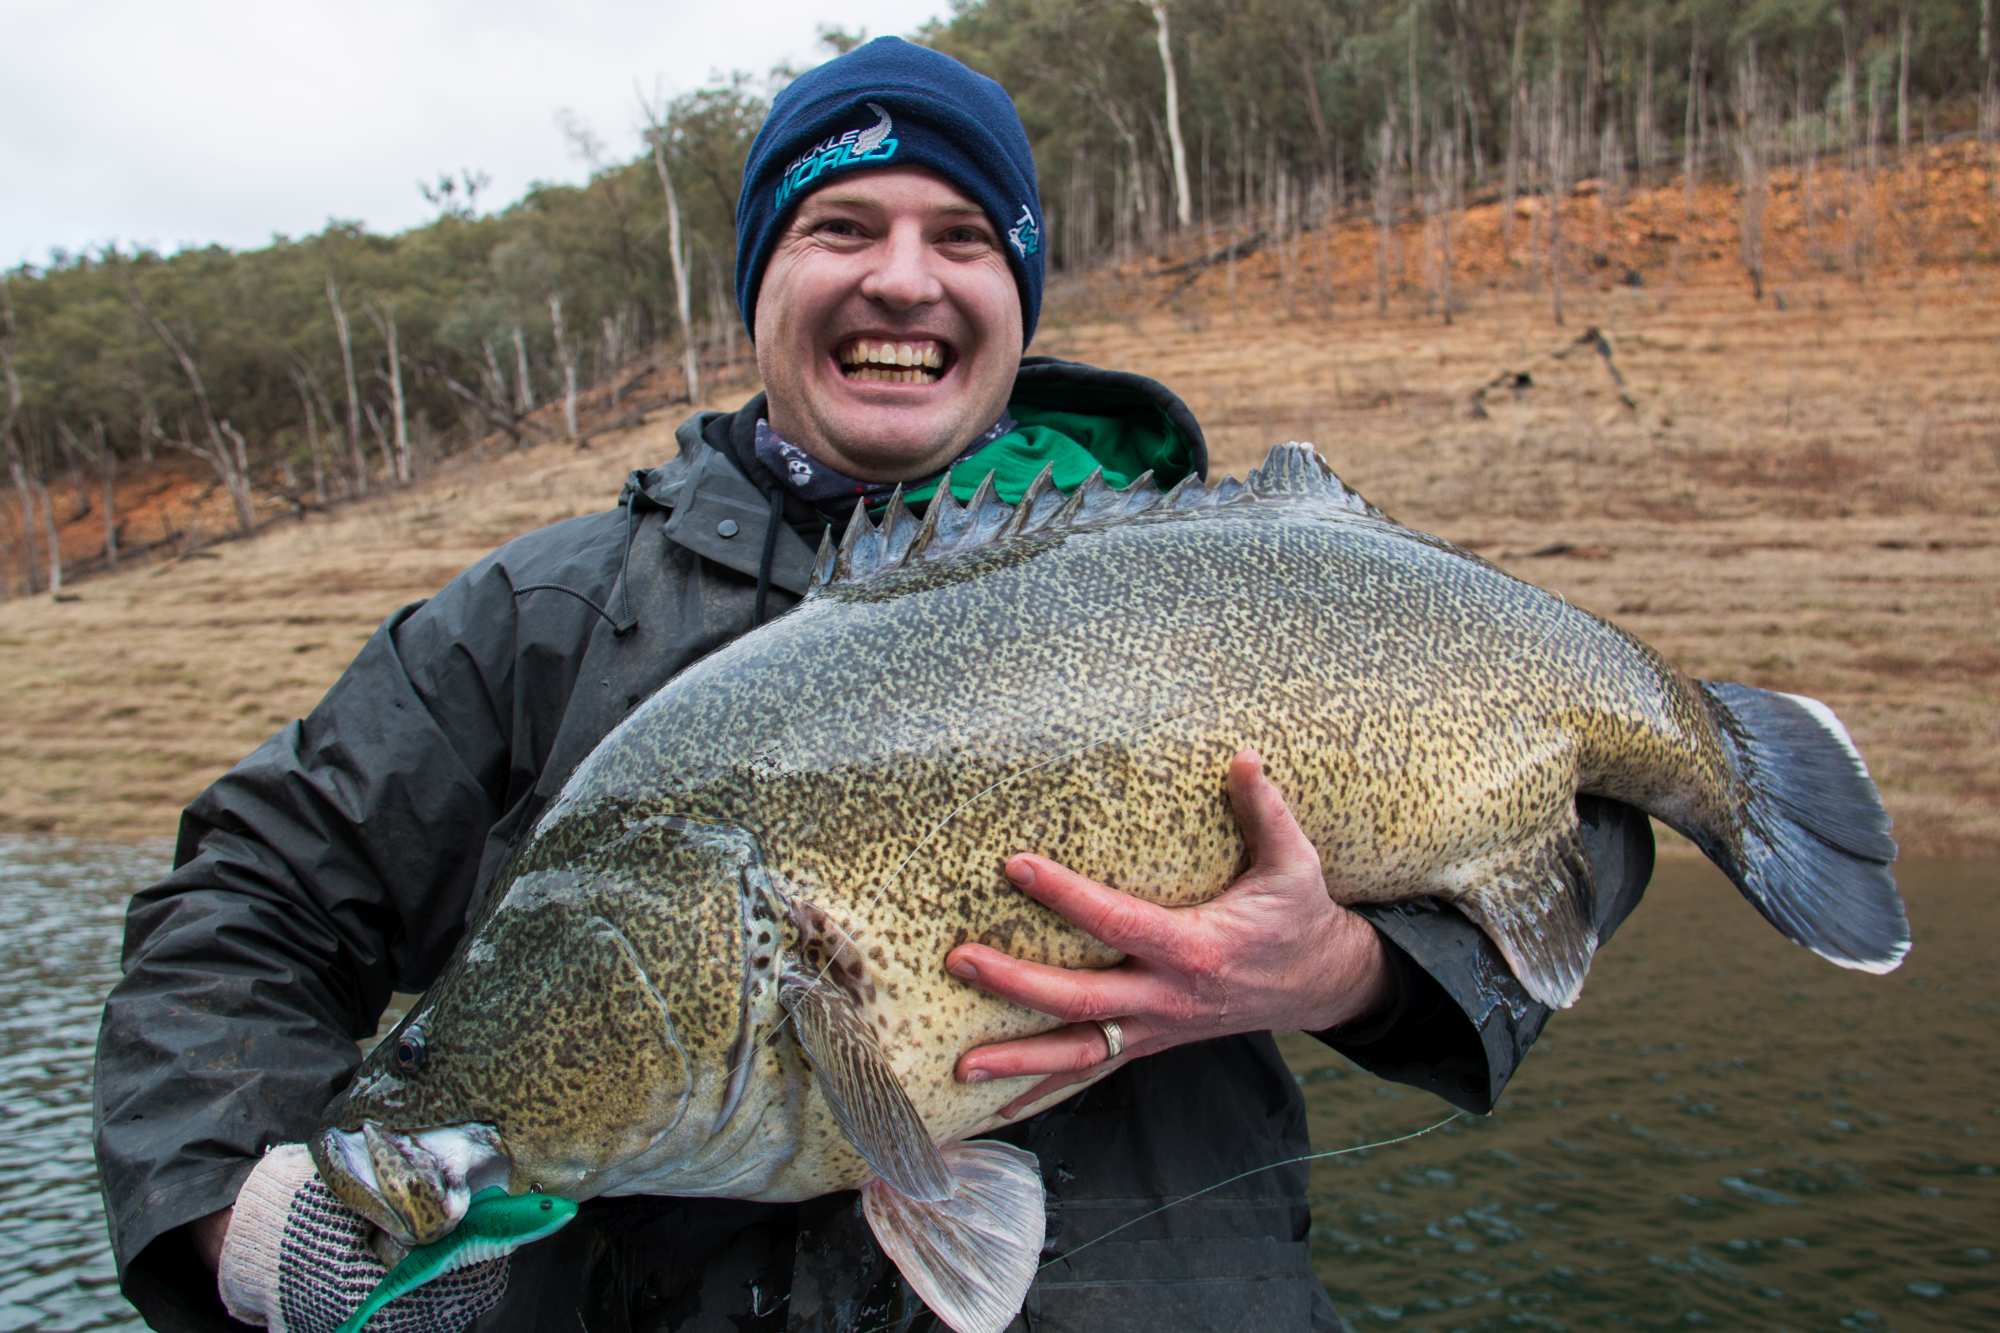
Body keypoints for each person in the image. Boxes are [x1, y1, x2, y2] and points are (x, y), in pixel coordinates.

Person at [92, 37, 1654, 1333]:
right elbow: (237, 907)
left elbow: (1586, 781)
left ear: (1018, 296)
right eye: (841, 228)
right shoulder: (541, 623)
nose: (904, 280)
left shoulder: (1226, 578)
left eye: (963, 237)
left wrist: (1347, 975)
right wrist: (251, 1213)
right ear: (761, 282)